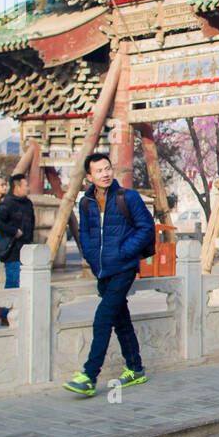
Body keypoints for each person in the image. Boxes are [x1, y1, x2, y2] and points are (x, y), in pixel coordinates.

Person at [62, 153, 152, 397]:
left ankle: (89, 376)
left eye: (108, 168)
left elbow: (146, 228)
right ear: (89, 177)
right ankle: (135, 369)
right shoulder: (86, 202)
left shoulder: (128, 197)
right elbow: (84, 231)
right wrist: (91, 256)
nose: (105, 174)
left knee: (103, 318)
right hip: (102, 269)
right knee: (120, 318)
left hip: (123, 267)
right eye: (99, 171)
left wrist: (125, 252)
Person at [0, 174, 35, 325]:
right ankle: (5, 315)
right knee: (13, 282)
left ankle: (20, 313)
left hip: (26, 250)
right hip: (12, 250)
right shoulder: (8, 203)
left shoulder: (27, 203)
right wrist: (13, 231)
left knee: (25, 283)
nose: (28, 187)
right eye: (25, 185)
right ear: (17, 187)